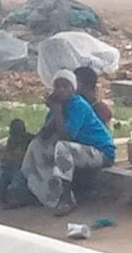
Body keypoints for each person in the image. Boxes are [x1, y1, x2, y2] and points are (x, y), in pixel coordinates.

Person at [21, 70, 116, 214]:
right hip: (80, 149)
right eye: (57, 87)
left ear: (73, 89)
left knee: (62, 147)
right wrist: (54, 111)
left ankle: (67, 199)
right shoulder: (59, 105)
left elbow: (66, 136)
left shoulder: (79, 105)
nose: (60, 90)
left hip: (101, 152)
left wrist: (58, 111)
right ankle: (45, 192)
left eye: (65, 87)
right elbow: (44, 134)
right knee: (36, 145)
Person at [0, 119, 32, 206]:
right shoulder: (11, 140)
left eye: (18, 129)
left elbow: (24, 155)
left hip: (27, 165)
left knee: (19, 173)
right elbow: (7, 155)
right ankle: (1, 193)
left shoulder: (29, 139)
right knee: (2, 167)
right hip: (12, 164)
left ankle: (15, 198)